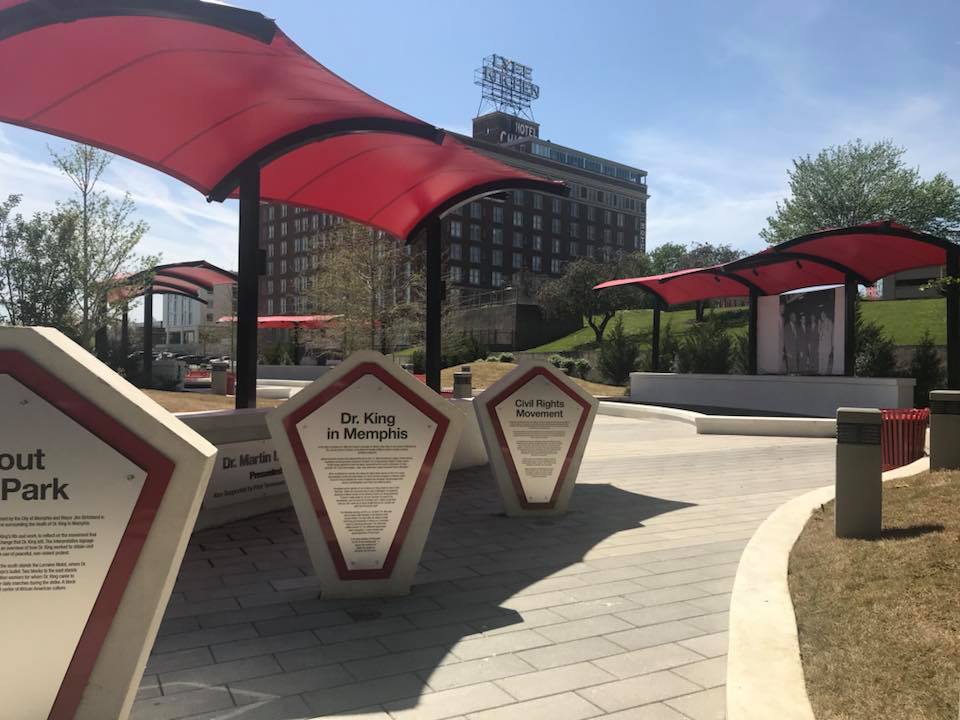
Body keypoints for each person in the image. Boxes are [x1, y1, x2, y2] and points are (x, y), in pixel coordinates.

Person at [818, 307, 834, 375]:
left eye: (823, 315)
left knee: (825, 359)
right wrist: (819, 326)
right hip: (821, 345)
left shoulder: (829, 322)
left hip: (827, 345)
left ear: (825, 314)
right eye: (821, 315)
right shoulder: (821, 323)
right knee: (820, 358)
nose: (822, 316)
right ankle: (820, 371)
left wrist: (822, 329)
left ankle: (824, 373)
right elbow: (819, 334)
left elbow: (829, 333)